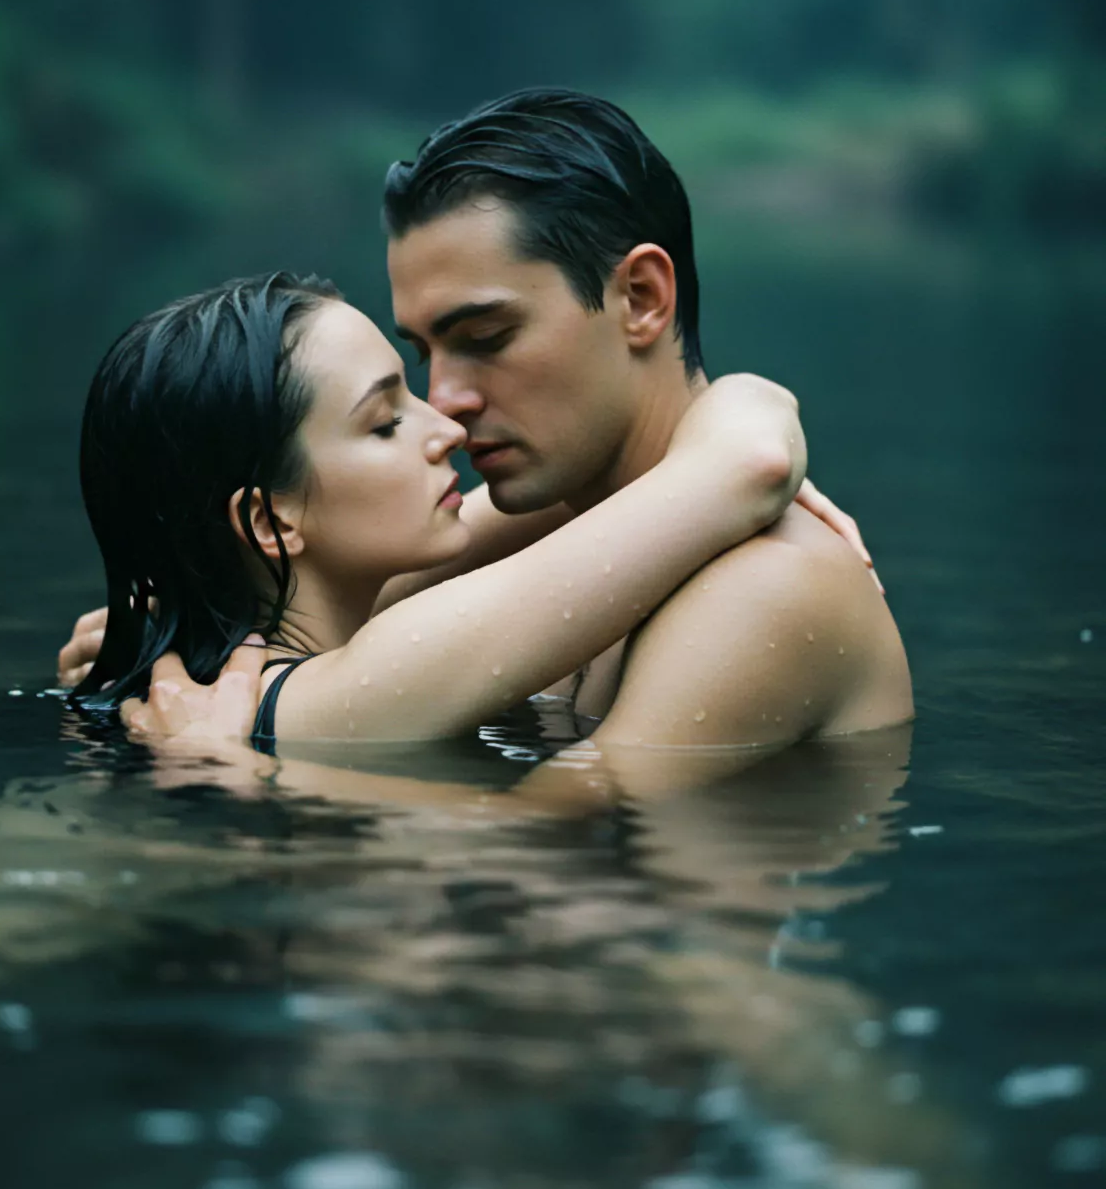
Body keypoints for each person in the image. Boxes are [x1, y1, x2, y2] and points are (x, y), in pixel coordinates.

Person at [68, 89, 911, 758]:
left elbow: (552, 867)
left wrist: (244, 770)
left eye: (486, 339)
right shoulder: (556, 554)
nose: (449, 405)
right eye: (423, 354)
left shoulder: (762, 588)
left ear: (643, 298)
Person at [68, 269, 810, 749]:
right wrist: (745, 399)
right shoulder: (362, 685)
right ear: (269, 523)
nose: (448, 430)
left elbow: (599, 497)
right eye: (385, 423)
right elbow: (749, 465)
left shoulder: (236, 673)